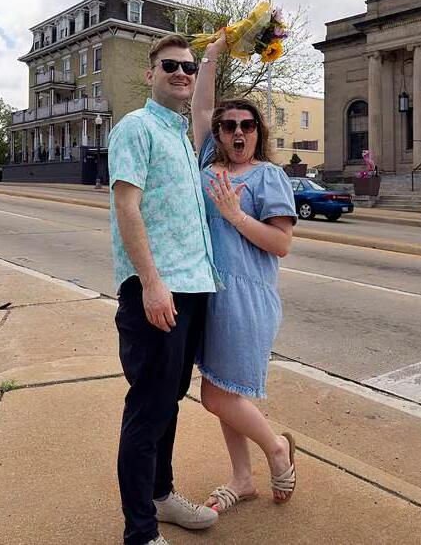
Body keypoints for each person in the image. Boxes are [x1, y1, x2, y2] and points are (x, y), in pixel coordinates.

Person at [109, 34, 220, 545]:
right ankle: (141, 532)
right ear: (150, 74)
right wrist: (152, 284)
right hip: (156, 289)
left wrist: (215, 53)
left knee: (170, 400)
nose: (181, 73)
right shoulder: (136, 128)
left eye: (188, 67)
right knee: (149, 406)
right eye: (170, 66)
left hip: (194, 288)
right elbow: (127, 207)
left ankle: (161, 495)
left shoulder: (180, 133)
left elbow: (206, 106)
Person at [191, 33, 298, 513]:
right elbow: (200, 109)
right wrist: (212, 56)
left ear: (258, 132)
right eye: (229, 126)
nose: (238, 133)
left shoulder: (267, 176)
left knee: (216, 394)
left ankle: (276, 449)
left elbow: (281, 244)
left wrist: (237, 217)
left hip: (246, 298)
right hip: (206, 294)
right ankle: (241, 478)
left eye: (247, 126)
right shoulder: (206, 167)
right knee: (223, 387)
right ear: (218, 133)